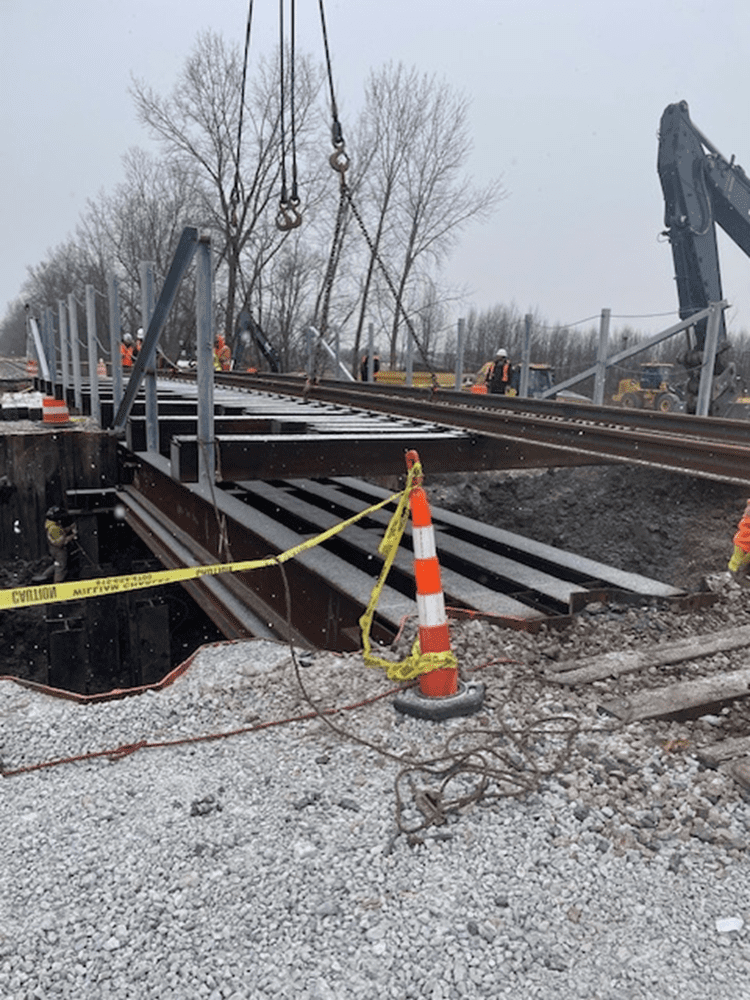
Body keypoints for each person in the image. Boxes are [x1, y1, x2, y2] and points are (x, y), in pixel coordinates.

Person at [44, 506, 77, 583]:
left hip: (54, 549)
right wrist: (73, 535)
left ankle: (43, 577)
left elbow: (60, 532)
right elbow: (62, 542)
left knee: (57, 564)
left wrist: (69, 528)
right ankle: (57, 584)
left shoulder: (51, 524)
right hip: (59, 550)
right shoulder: (53, 528)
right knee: (61, 567)